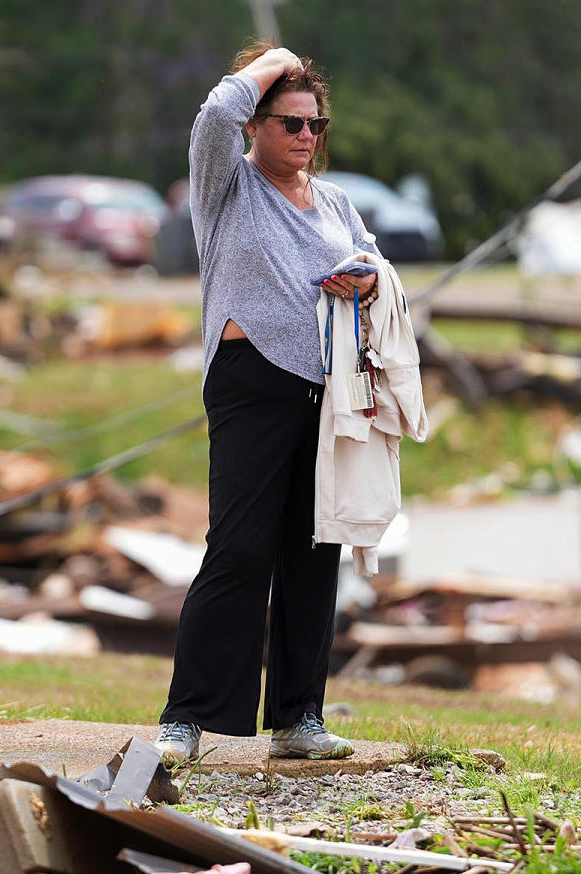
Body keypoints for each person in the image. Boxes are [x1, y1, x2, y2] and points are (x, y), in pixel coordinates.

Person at [154, 43, 380, 765]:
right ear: (257, 125)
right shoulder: (227, 184)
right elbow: (214, 111)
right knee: (240, 546)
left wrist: (367, 280)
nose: (307, 137)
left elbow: (374, 260)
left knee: (315, 551)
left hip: (326, 387)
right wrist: (277, 58)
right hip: (252, 379)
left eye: (316, 125)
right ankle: (187, 717)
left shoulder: (336, 201)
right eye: (291, 123)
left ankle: (298, 718)